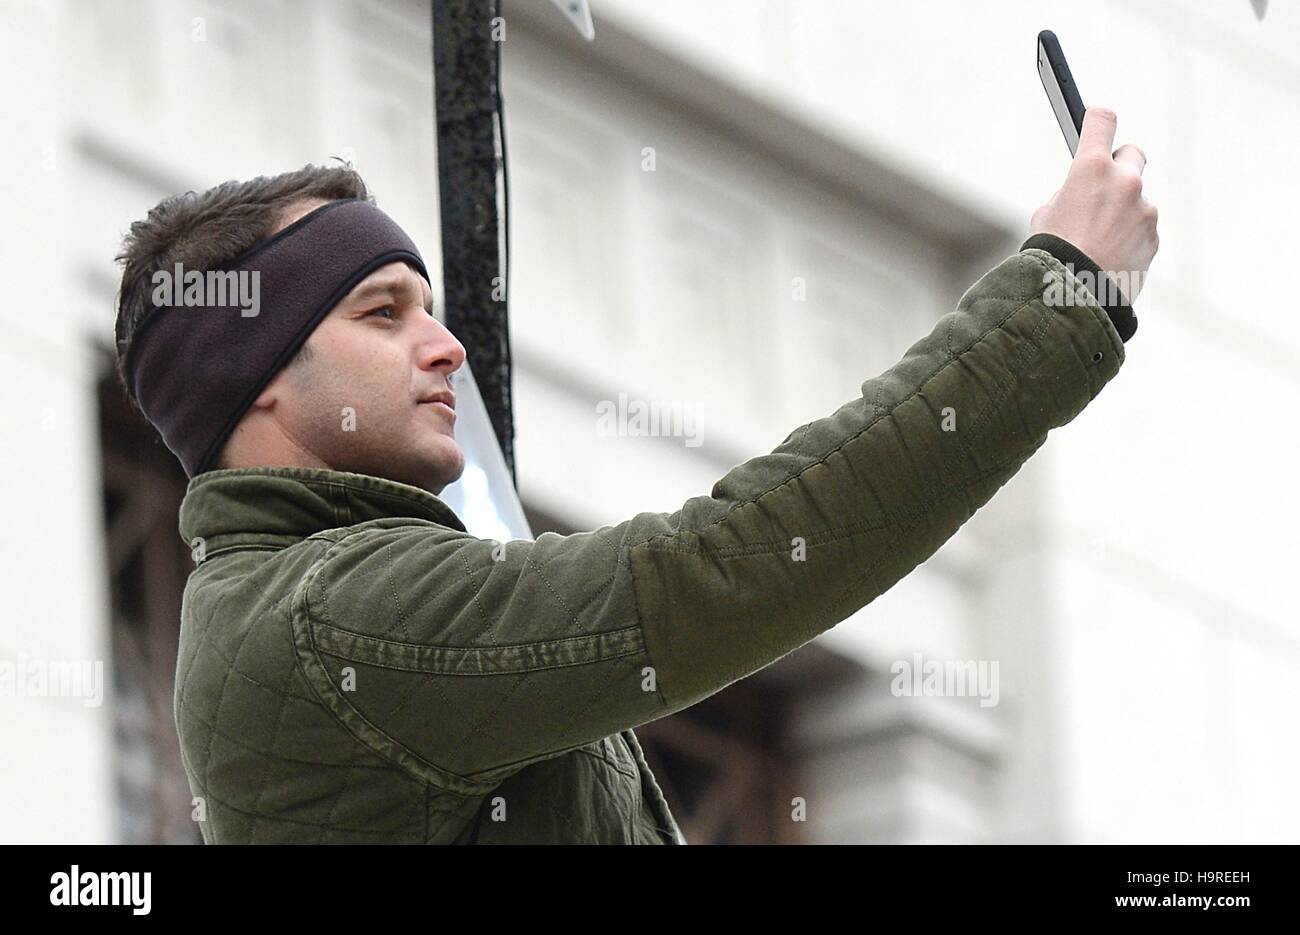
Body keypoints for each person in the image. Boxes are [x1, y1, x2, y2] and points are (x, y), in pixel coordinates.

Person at [113, 106, 1157, 844]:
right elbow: (718, 566)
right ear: (247, 375)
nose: (446, 347)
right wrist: (1060, 295)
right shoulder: (331, 612)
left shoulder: (322, 598)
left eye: (427, 308)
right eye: (382, 312)